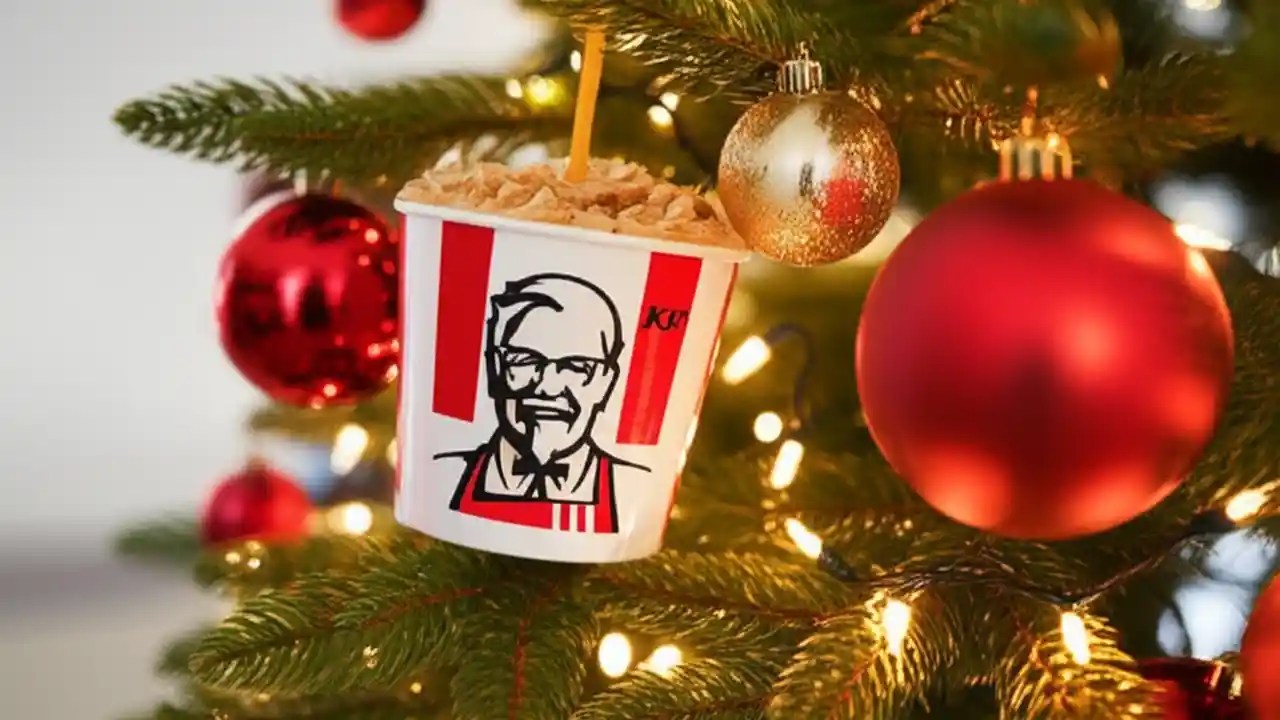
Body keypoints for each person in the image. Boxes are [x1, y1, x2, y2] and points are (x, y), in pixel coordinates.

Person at [438, 273, 645, 533]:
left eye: (576, 366)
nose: (548, 387)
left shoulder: (636, 490)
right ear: (495, 369)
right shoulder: (441, 476)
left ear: (604, 383)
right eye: (525, 360)